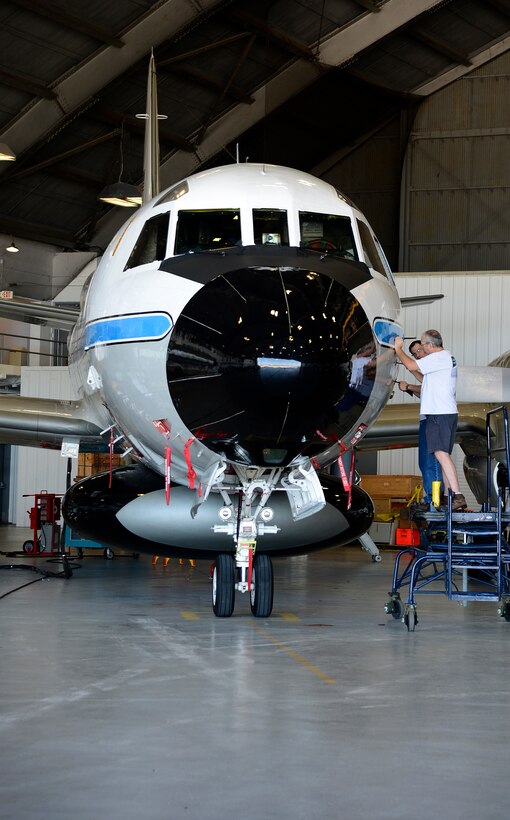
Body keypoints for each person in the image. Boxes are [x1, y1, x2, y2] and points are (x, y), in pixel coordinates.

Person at [394, 329, 467, 512]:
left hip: (439, 414)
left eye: (424, 345)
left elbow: (412, 366)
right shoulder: (444, 358)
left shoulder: (439, 357)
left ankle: (458, 496)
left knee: (440, 454)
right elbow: (422, 375)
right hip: (446, 413)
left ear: (431, 345)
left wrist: (398, 349)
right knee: (442, 456)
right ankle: (449, 496)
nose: (423, 350)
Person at [399, 340, 443, 510]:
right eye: (414, 354)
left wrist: (409, 385)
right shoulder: (428, 373)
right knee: (424, 462)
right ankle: (431, 497)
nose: (417, 355)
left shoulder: (435, 367)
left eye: (419, 351)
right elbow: (424, 390)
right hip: (426, 419)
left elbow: (425, 386)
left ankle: (435, 499)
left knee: (432, 461)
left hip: (434, 419)